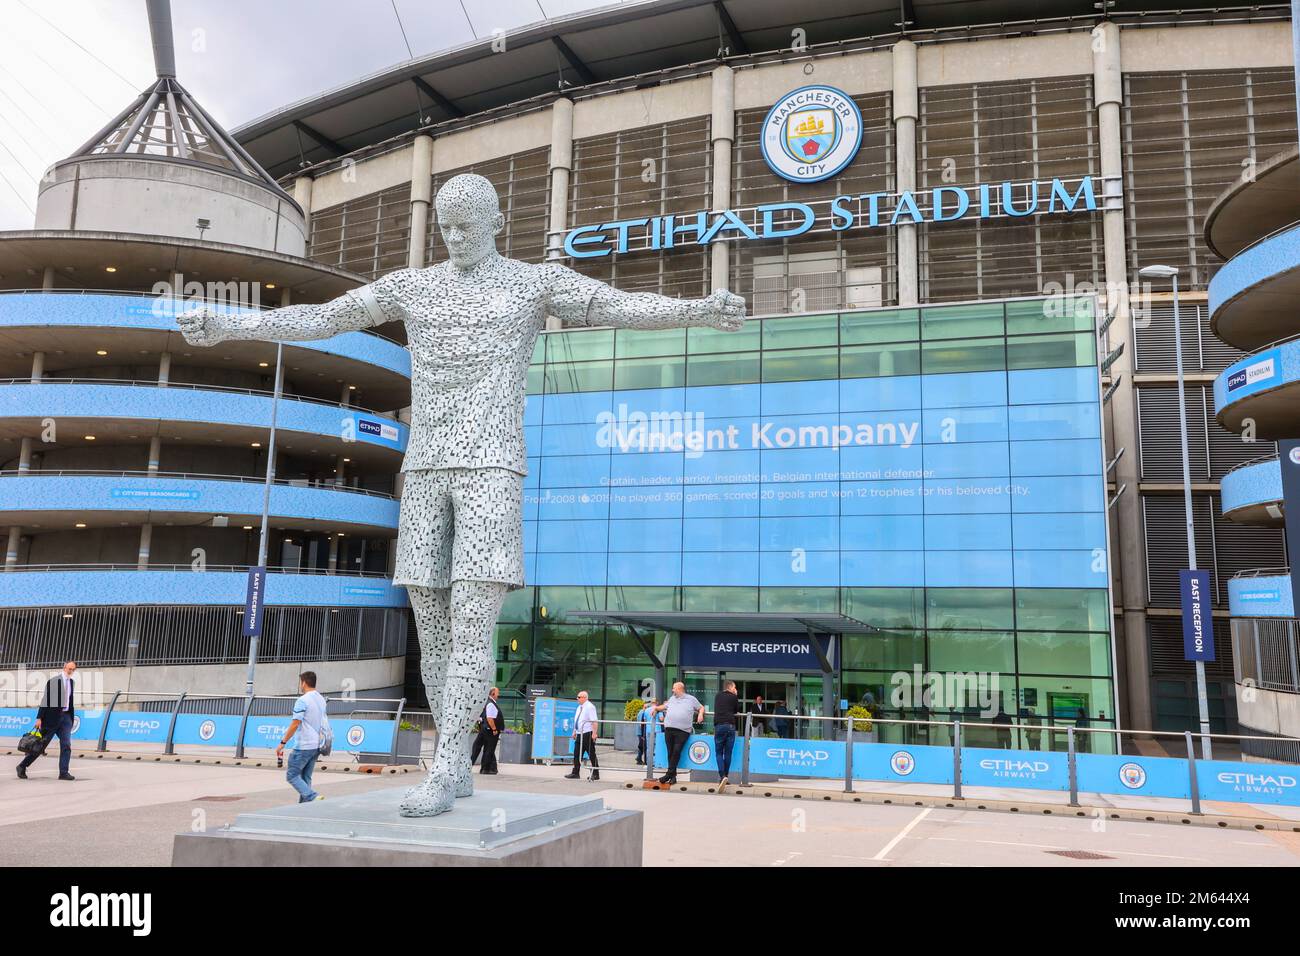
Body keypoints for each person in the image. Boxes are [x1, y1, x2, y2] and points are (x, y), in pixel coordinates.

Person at [177, 173, 745, 818]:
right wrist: (230, 324)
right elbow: (324, 318)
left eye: (467, 226)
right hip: (425, 468)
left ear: (498, 221)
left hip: (491, 465)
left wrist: (694, 309)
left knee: (475, 616)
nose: (455, 238)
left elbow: (613, 303)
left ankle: (447, 767)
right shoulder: (414, 287)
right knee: (432, 620)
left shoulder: (532, 283)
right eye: (445, 226)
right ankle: (454, 758)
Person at [16, 661, 77, 781]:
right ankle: (22, 766)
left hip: (65, 718)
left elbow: (70, 700)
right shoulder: (54, 681)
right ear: (64, 668)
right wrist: (39, 718)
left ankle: (63, 772)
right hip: (51, 718)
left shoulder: (71, 682)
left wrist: (70, 717)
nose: (71, 671)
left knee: (66, 745)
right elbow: (46, 700)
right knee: (40, 746)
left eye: (73, 669)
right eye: (69, 668)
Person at [276, 671, 328, 803]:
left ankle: (312, 796)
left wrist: (283, 742)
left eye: (300, 682)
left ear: (304, 683)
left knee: (292, 775)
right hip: (317, 745)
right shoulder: (321, 699)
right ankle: (305, 807)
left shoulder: (302, 700)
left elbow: (295, 723)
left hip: (304, 745)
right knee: (306, 778)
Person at [653, 682, 705, 785]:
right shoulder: (672, 699)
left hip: (683, 730)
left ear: (680, 689)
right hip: (669, 729)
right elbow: (664, 706)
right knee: (670, 752)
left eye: (674, 688)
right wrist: (656, 709)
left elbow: (701, 707)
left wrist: (700, 714)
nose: (672, 690)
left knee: (676, 751)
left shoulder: (691, 699)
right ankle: (673, 777)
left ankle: (668, 774)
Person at [564, 690, 599, 781]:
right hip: (580, 733)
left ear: (584, 698)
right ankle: (576, 772)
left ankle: (596, 773)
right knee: (576, 754)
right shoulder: (579, 707)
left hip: (587, 733)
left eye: (579, 697)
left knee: (591, 754)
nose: (577, 699)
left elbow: (594, 721)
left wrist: (594, 733)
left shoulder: (590, 707)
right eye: (577, 697)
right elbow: (577, 720)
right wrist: (574, 731)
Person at [712, 680, 740, 791]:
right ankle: (726, 776)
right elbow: (736, 710)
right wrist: (735, 695)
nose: (735, 689)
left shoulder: (718, 696)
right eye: (735, 687)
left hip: (719, 725)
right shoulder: (733, 697)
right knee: (728, 753)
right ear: (731, 687)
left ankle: (722, 776)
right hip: (730, 726)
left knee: (719, 752)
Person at [470, 686, 502, 775]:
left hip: (484, 728)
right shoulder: (490, 704)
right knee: (488, 749)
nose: (498, 695)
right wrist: (494, 729)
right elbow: (490, 718)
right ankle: (486, 769)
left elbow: (481, 716)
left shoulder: (487, 702)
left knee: (483, 748)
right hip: (489, 730)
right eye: (497, 693)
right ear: (493, 693)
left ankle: (491, 768)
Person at [635, 697, 659, 766]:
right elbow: (641, 724)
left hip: (644, 731)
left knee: (643, 746)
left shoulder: (644, 712)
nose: (647, 708)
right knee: (643, 746)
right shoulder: (642, 712)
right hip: (642, 732)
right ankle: (642, 759)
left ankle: (640, 758)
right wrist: (642, 734)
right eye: (646, 707)